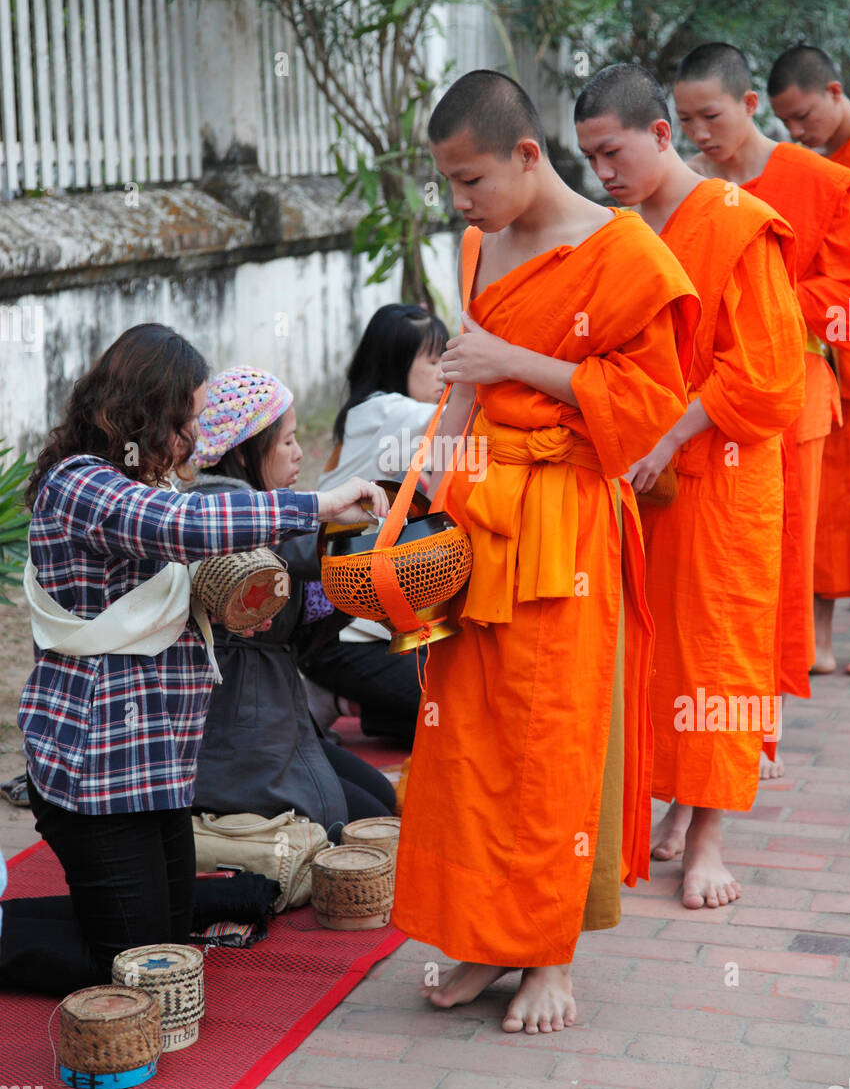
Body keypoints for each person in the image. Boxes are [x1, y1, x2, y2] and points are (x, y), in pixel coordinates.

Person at [391, 70, 699, 1034]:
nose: (460, 203)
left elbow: (649, 409)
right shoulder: (484, 243)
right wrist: (431, 481)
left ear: (527, 156)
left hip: (564, 517)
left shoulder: (624, 252)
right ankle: (485, 937)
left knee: (549, 742)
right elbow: (468, 384)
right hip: (484, 516)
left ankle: (550, 958)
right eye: (449, 184)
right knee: (467, 739)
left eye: (471, 180)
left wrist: (519, 363)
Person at [0, 324, 388, 995]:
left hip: (160, 768)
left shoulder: (152, 484)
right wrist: (319, 506)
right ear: (143, 414)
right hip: (93, 771)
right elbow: (183, 529)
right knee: (125, 968)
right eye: (189, 422)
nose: (197, 441)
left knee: (164, 943)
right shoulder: (81, 485)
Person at [575, 64, 805, 908]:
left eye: (613, 153)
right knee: (658, 651)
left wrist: (673, 429)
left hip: (726, 479)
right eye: (591, 159)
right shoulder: (628, 230)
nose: (603, 174)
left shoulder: (736, 222)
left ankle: (708, 834)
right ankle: (675, 803)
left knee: (718, 655)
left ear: (662, 136)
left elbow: (771, 376)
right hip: (649, 479)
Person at [673, 43, 850, 777]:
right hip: (702, 402)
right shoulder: (683, 186)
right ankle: (702, 724)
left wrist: (759, 302)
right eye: (685, 119)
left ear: (751, 105)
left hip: (791, 397)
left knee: (779, 563)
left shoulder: (821, 180)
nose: (698, 133)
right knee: (704, 569)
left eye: (710, 116)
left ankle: (759, 724)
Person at [180, 365, 396, 831]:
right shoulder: (219, 507)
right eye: (287, 441)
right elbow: (282, 547)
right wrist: (343, 533)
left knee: (381, 796)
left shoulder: (266, 505)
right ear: (245, 451)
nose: (299, 453)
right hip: (241, 731)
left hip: (279, 714)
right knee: (361, 820)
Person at [301, 304, 448, 749]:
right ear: (396, 362)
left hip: (363, 616)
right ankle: (333, 690)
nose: (444, 371)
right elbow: (460, 416)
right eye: (434, 359)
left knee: (454, 704)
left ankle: (355, 705)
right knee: (451, 708)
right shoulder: (386, 412)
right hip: (336, 627)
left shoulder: (369, 413)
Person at [764, 45, 850, 673]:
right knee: (827, 508)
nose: (799, 132)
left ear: (834, 92)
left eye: (803, 116)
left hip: (846, 330)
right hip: (833, 348)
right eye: (789, 124)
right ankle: (817, 642)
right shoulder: (818, 170)